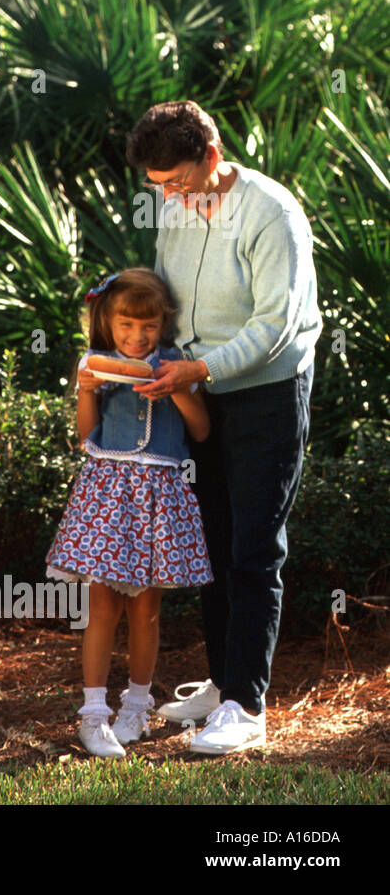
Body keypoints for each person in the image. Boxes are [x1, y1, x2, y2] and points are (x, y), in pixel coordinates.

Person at [126, 100, 321, 755]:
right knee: (210, 540)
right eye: (158, 189)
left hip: (266, 389)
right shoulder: (175, 205)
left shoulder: (273, 214)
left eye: (177, 182)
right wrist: (144, 346)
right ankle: (221, 681)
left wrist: (198, 368)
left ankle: (247, 705)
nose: (170, 198)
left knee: (254, 545)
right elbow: (169, 297)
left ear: (211, 157)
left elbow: (275, 327)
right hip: (197, 390)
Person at [45, 269, 211, 757]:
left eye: (149, 327)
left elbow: (200, 431)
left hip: (159, 494)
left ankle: (137, 704)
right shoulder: (97, 365)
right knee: (100, 606)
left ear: (163, 326)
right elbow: (85, 435)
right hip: (108, 492)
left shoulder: (178, 364)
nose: (137, 337)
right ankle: (93, 715)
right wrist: (86, 388)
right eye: (126, 326)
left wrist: (174, 387)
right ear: (106, 322)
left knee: (147, 609)